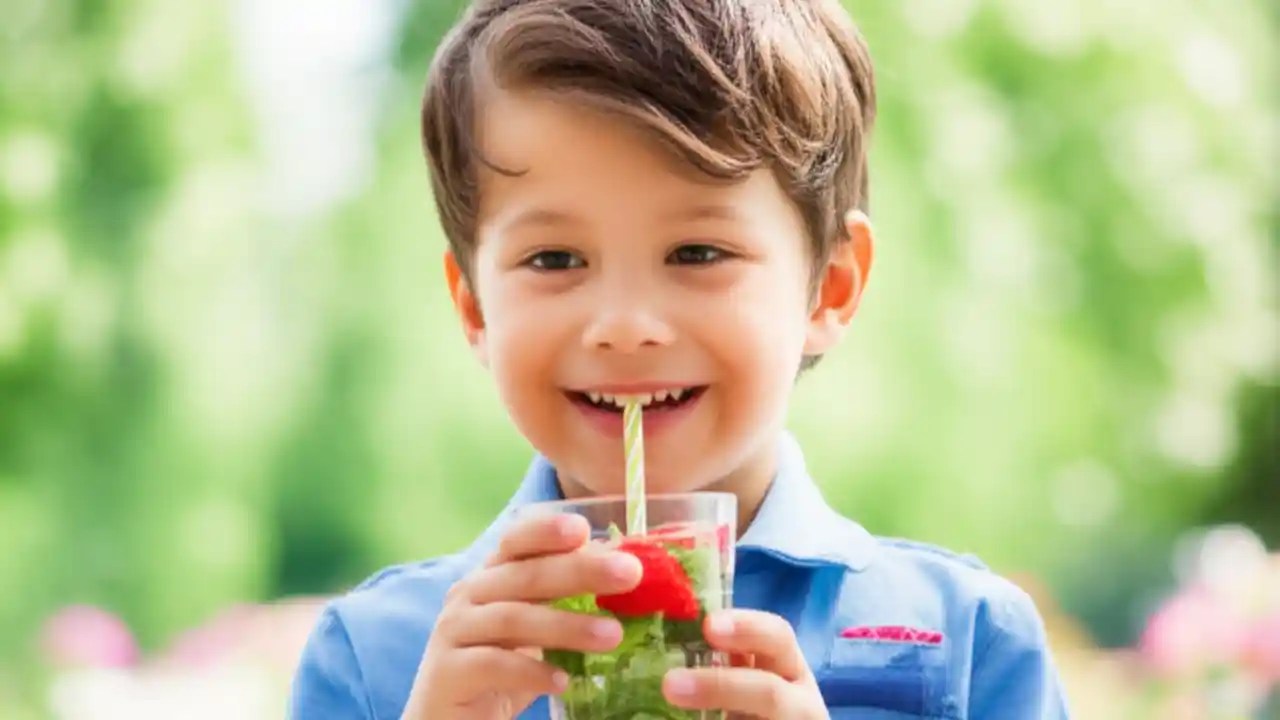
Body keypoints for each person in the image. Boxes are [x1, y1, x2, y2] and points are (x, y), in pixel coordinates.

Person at [289, 0, 1070, 717]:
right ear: (474, 308)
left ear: (829, 287)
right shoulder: (374, 661)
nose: (625, 327)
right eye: (555, 259)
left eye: (697, 251)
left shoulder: (971, 644)